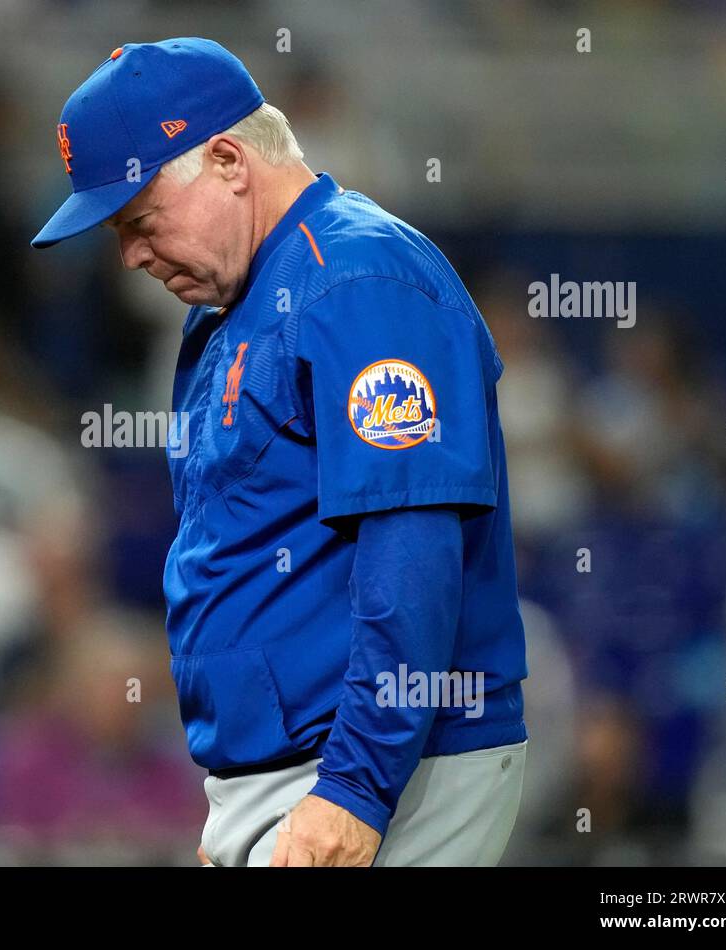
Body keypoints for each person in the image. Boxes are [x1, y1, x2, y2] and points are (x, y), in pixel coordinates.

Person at [32, 37, 528, 866]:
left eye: (139, 221)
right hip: (287, 775)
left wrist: (353, 790)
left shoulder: (358, 278)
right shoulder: (239, 299)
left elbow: (412, 548)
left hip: (379, 767)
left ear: (227, 160)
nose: (128, 255)